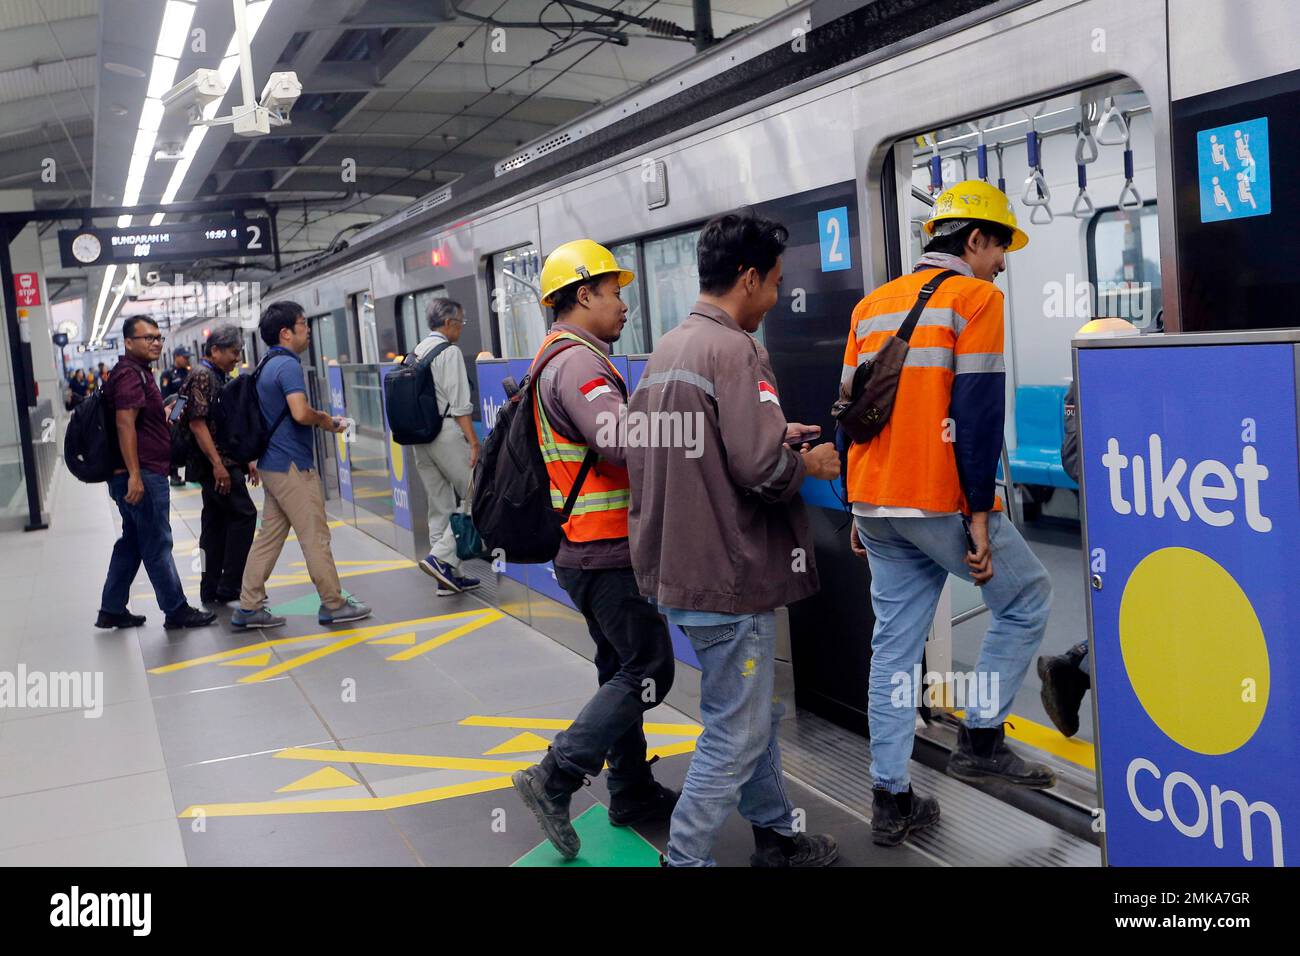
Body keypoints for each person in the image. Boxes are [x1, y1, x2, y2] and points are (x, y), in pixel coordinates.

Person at [842, 180, 1055, 847]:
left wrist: (857, 502)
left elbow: (849, 409)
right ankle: (982, 738)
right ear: (973, 240)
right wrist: (983, 512)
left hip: (876, 500)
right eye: (999, 248)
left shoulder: (873, 305)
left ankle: (890, 797)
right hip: (937, 497)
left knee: (893, 647)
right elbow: (979, 408)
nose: (1001, 263)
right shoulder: (975, 297)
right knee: (1026, 599)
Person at [627, 213, 841, 868]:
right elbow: (755, 467)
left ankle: (775, 837)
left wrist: (776, 434)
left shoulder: (667, 350)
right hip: (729, 576)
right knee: (734, 731)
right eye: (773, 283)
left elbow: (700, 450)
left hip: (678, 569)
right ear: (747, 279)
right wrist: (806, 463)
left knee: (753, 717)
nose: (776, 297)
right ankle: (685, 859)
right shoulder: (738, 350)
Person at [511, 240, 678, 861]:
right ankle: (554, 776)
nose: (624, 304)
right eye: (614, 292)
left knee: (619, 668)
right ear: (584, 295)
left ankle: (631, 787)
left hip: (582, 548)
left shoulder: (550, 359)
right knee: (650, 668)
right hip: (604, 550)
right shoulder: (578, 364)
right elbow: (618, 438)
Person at [232, 302, 372, 629]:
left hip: (272, 464)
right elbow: (299, 412)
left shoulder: (266, 364)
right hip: (293, 466)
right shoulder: (288, 366)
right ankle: (333, 604)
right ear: (286, 333)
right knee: (315, 535)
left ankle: (249, 606)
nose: (307, 330)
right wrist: (325, 420)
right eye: (302, 324)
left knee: (269, 537)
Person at [95, 316, 215, 631]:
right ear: (129, 342)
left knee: (133, 541)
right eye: (148, 337)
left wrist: (164, 415)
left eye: (158, 337)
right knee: (158, 542)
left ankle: (111, 608)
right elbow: (124, 423)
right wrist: (134, 475)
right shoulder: (130, 375)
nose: (156, 342)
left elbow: (138, 422)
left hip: (141, 471)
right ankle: (176, 609)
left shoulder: (137, 374)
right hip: (142, 474)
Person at [181, 324, 260, 605]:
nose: (237, 358)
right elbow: (197, 423)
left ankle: (211, 588)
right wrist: (218, 465)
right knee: (244, 515)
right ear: (215, 350)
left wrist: (244, 458)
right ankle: (229, 585)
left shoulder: (212, 375)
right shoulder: (204, 377)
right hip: (216, 463)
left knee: (214, 524)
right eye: (233, 352)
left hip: (220, 461)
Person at [410, 298, 481, 595]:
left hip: (420, 439)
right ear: (449, 322)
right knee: (478, 493)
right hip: (446, 434)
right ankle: (441, 559)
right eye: (461, 322)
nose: (462, 328)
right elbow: (461, 406)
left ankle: (447, 579)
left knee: (440, 505)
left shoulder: (416, 352)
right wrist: (474, 442)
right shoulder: (448, 353)